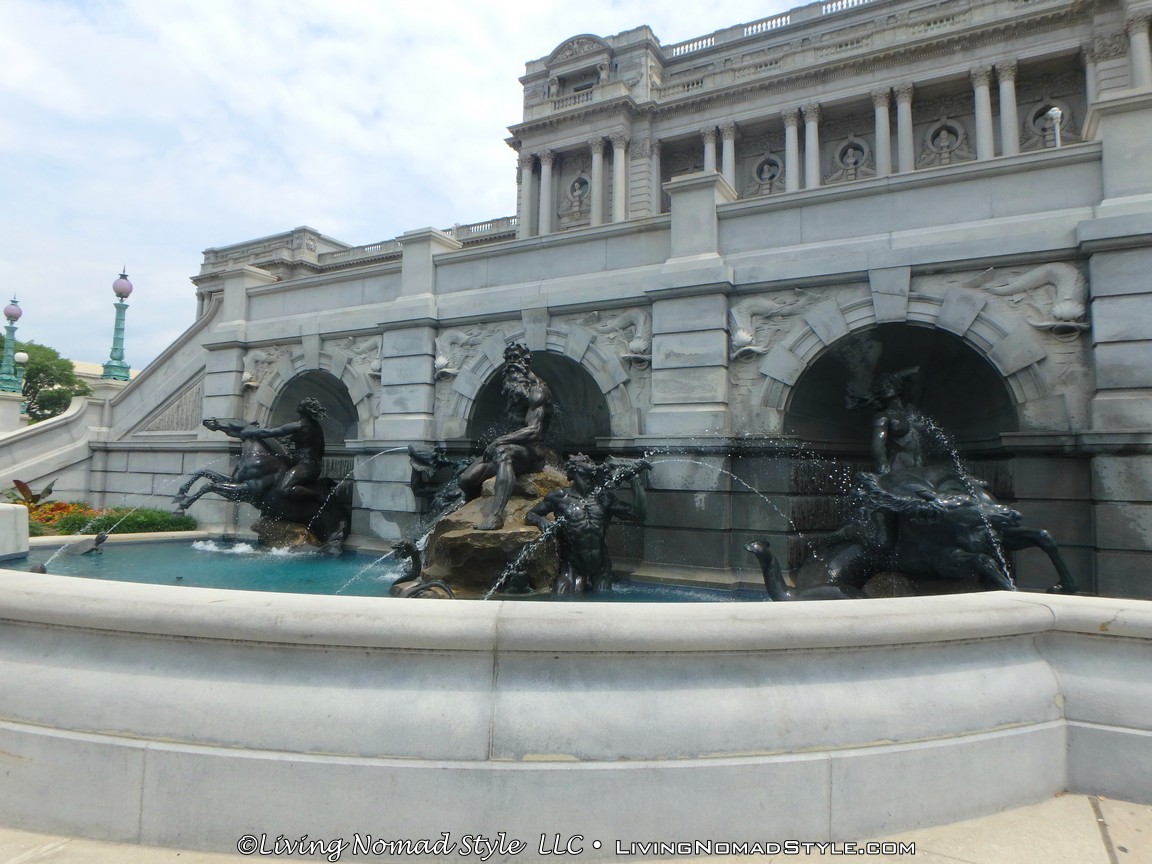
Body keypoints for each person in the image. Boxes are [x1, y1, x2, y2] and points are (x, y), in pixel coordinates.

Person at [458, 344, 553, 530]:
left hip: (532, 452)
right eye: (508, 360)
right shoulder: (514, 389)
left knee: (503, 452)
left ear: (526, 362)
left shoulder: (538, 391)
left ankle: (496, 516)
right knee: (465, 480)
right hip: (514, 448)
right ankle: (473, 506)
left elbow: (534, 430)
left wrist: (499, 441)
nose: (510, 364)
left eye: (515, 359)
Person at [525, 454, 648, 595]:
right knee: (560, 599)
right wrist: (541, 520)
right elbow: (530, 515)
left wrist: (635, 481)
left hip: (600, 569)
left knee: (603, 602)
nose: (591, 462)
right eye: (585, 460)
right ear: (575, 468)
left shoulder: (604, 498)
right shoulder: (560, 497)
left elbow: (640, 515)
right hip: (572, 568)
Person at [237, 397, 327, 500]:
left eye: (301, 405)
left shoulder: (299, 426)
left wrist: (249, 432)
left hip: (307, 465)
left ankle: (317, 496)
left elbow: (268, 433)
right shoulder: (316, 426)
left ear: (305, 409)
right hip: (304, 463)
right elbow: (321, 448)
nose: (298, 405)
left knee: (285, 488)